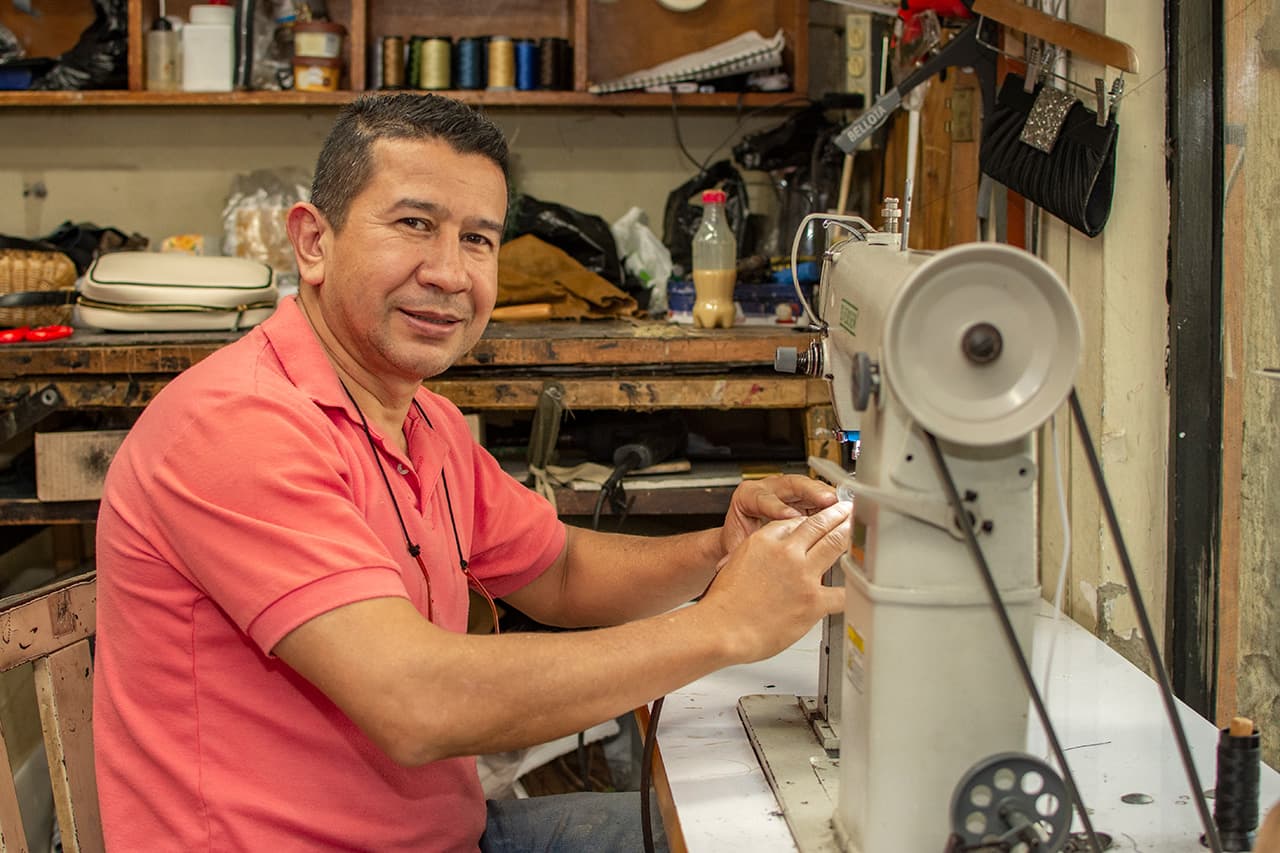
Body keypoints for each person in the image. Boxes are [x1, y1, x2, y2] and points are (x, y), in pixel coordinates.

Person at [92, 92, 851, 852]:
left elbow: (557, 571)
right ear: (313, 241)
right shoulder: (237, 426)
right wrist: (723, 626)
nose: (451, 273)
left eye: (479, 239)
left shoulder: (422, 420)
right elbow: (416, 702)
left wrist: (721, 552)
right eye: (414, 225)